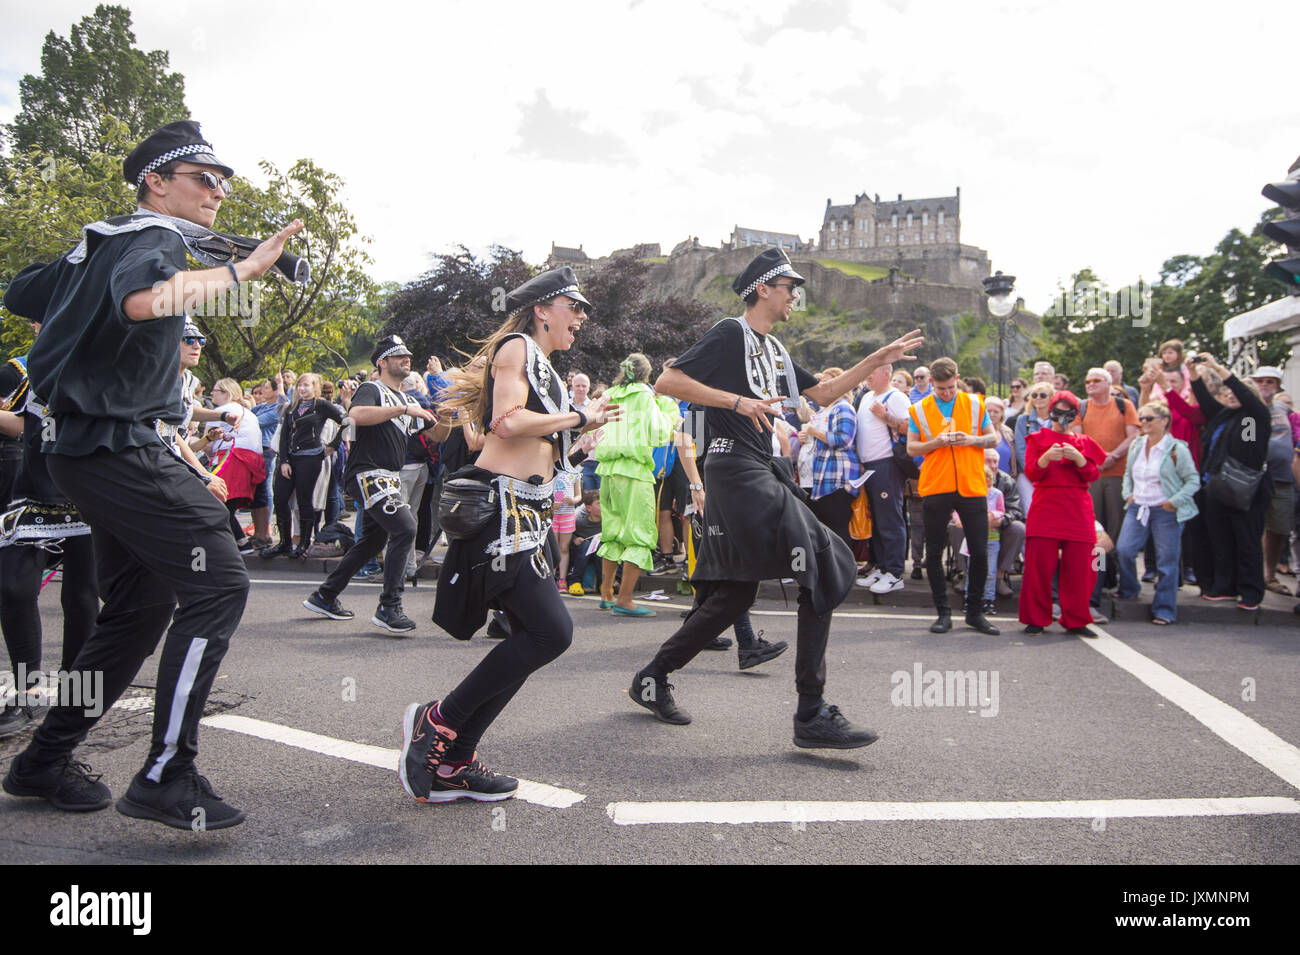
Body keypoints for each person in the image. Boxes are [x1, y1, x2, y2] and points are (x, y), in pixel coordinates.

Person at [1, 120, 301, 828]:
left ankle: (43, 759)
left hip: (81, 450)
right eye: (205, 178)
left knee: (138, 611)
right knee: (221, 582)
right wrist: (244, 270)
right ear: (155, 183)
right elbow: (143, 302)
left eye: (224, 182)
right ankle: (168, 771)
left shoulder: (105, 239)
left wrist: (88, 260)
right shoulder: (158, 240)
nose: (219, 193)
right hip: (117, 447)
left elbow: (22, 293)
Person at [627, 247, 923, 747]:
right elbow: (667, 380)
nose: (796, 296)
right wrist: (738, 402)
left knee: (734, 593)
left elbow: (823, 396)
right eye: (790, 287)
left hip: (762, 468)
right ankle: (810, 711)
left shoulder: (777, 351)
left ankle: (652, 677)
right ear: (763, 288)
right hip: (735, 468)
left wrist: (874, 360)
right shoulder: (729, 333)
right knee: (829, 562)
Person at [400, 266, 620, 802]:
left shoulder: (543, 363)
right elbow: (506, 423)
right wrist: (575, 418)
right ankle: (438, 721)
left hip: (529, 515)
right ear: (544, 308)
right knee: (551, 633)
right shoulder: (518, 346)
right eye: (576, 306)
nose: (584, 318)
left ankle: (455, 759)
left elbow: (537, 446)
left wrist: (581, 431)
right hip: (501, 514)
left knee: (534, 637)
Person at [303, 335, 442, 632]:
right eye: (398, 355)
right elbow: (356, 415)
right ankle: (389, 606)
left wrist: (451, 419)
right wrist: (404, 410)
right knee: (405, 528)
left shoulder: (407, 398)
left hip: (389, 477)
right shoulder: (372, 389)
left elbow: (432, 437)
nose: (406, 358)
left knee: (372, 542)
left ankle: (324, 596)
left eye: (408, 354)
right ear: (383, 361)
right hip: (368, 473)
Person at [907, 357, 1001, 635]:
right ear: (932, 384)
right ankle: (943, 613)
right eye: (940, 389)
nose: (946, 393)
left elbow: (993, 439)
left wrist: (970, 440)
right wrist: (935, 443)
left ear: (957, 378)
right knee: (933, 553)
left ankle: (974, 613)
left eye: (950, 387)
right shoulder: (919, 408)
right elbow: (912, 448)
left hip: (972, 485)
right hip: (936, 485)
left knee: (980, 552)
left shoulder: (974, 403)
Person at [1019, 391, 1106, 636]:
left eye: (1068, 411)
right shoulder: (1036, 438)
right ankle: (1036, 618)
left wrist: (1080, 460)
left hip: (1077, 509)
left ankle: (1077, 619)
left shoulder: (1085, 442)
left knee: (1081, 568)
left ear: (1075, 413)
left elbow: (1094, 474)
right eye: (1058, 411)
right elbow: (1031, 472)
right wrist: (1045, 459)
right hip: (1046, 507)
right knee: (1038, 567)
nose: (1062, 417)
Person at [597, 353, 676, 616]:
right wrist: (667, 409)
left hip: (607, 470)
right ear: (647, 373)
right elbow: (658, 433)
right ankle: (625, 600)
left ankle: (607, 594)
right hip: (633, 470)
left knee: (612, 532)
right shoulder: (644, 394)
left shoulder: (610, 393)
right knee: (640, 534)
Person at [1190, 353, 1270, 609]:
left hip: (1247, 488)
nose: (1232, 395)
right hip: (1217, 487)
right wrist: (1193, 373)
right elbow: (1203, 399)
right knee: (1220, 538)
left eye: (1237, 392)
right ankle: (1224, 585)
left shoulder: (1255, 416)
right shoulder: (1224, 416)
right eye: (1228, 392)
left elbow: (1244, 394)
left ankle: (1250, 591)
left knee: (1246, 540)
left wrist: (1216, 367)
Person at [1115, 402, 1199, 624]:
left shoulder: (1176, 449)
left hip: (1164, 511)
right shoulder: (1137, 445)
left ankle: (1164, 609)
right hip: (1138, 507)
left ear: (1164, 421)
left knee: (1166, 561)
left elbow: (1193, 481)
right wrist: (1128, 494)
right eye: (1141, 419)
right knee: (1124, 550)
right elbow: (1127, 474)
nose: (1143, 423)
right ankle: (1129, 588)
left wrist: (1174, 501)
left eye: (1148, 419)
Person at [262, 372, 344, 559]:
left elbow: (348, 422)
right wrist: (283, 460)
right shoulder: (292, 407)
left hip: (311, 458)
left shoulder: (321, 405)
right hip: (291, 457)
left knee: (304, 500)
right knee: (280, 498)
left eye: (306, 385)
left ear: (315, 386)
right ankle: (284, 542)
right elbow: (284, 435)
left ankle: (304, 542)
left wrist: (333, 445)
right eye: (300, 385)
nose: (302, 388)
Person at [855, 361, 911, 593]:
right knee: (876, 519)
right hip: (868, 466)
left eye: (872, 372)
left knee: (890, 519)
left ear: (886, 373)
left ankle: (895, 572)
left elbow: (910, 426)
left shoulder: (896, 397)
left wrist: (885, 415)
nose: (867, 376)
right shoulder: (866, 396)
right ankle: (881, 566)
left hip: (887, 465)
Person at [1248, 366, 1295, 595]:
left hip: (1283, 477)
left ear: (1278, 386)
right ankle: (1251, 575)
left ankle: (1270, 575)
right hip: (1256, 477)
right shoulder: (1249, 411)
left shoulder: (1284, 409)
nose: (1265, 385)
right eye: (1260, 381)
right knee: (1253, 527)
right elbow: (1247, 442)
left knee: (1279, 528)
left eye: (1270, 381)